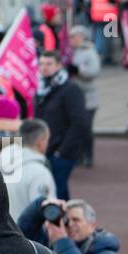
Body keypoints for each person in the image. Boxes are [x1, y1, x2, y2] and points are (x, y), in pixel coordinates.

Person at [34, 50, 91, 200]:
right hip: (44, 149)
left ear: (59, 66)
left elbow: (80, 122)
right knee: (55, 192)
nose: (44, 67)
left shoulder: (70, 89)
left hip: (61, 152)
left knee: (57, 193)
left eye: (49, 64)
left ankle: (63, 222)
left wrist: (63, 150)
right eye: (41, 64)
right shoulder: (40, 89)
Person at [0, 117, 56, 216]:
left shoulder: (3, 157)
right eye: (47, 139)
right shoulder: (40, 173)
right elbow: (45, 213)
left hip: (3, 227)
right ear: (41, 141)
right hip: (25, 230)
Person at [67, 25, 101, 168]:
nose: (71, 40)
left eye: (73, 37)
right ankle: (79, 155)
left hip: (88, 97)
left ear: (81, 37)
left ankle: (88, 155)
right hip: (75, 96)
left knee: (86, 128)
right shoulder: (70, 52)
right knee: (76, 127)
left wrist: (79, 70)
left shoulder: (89, 52)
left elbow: (94, 71)